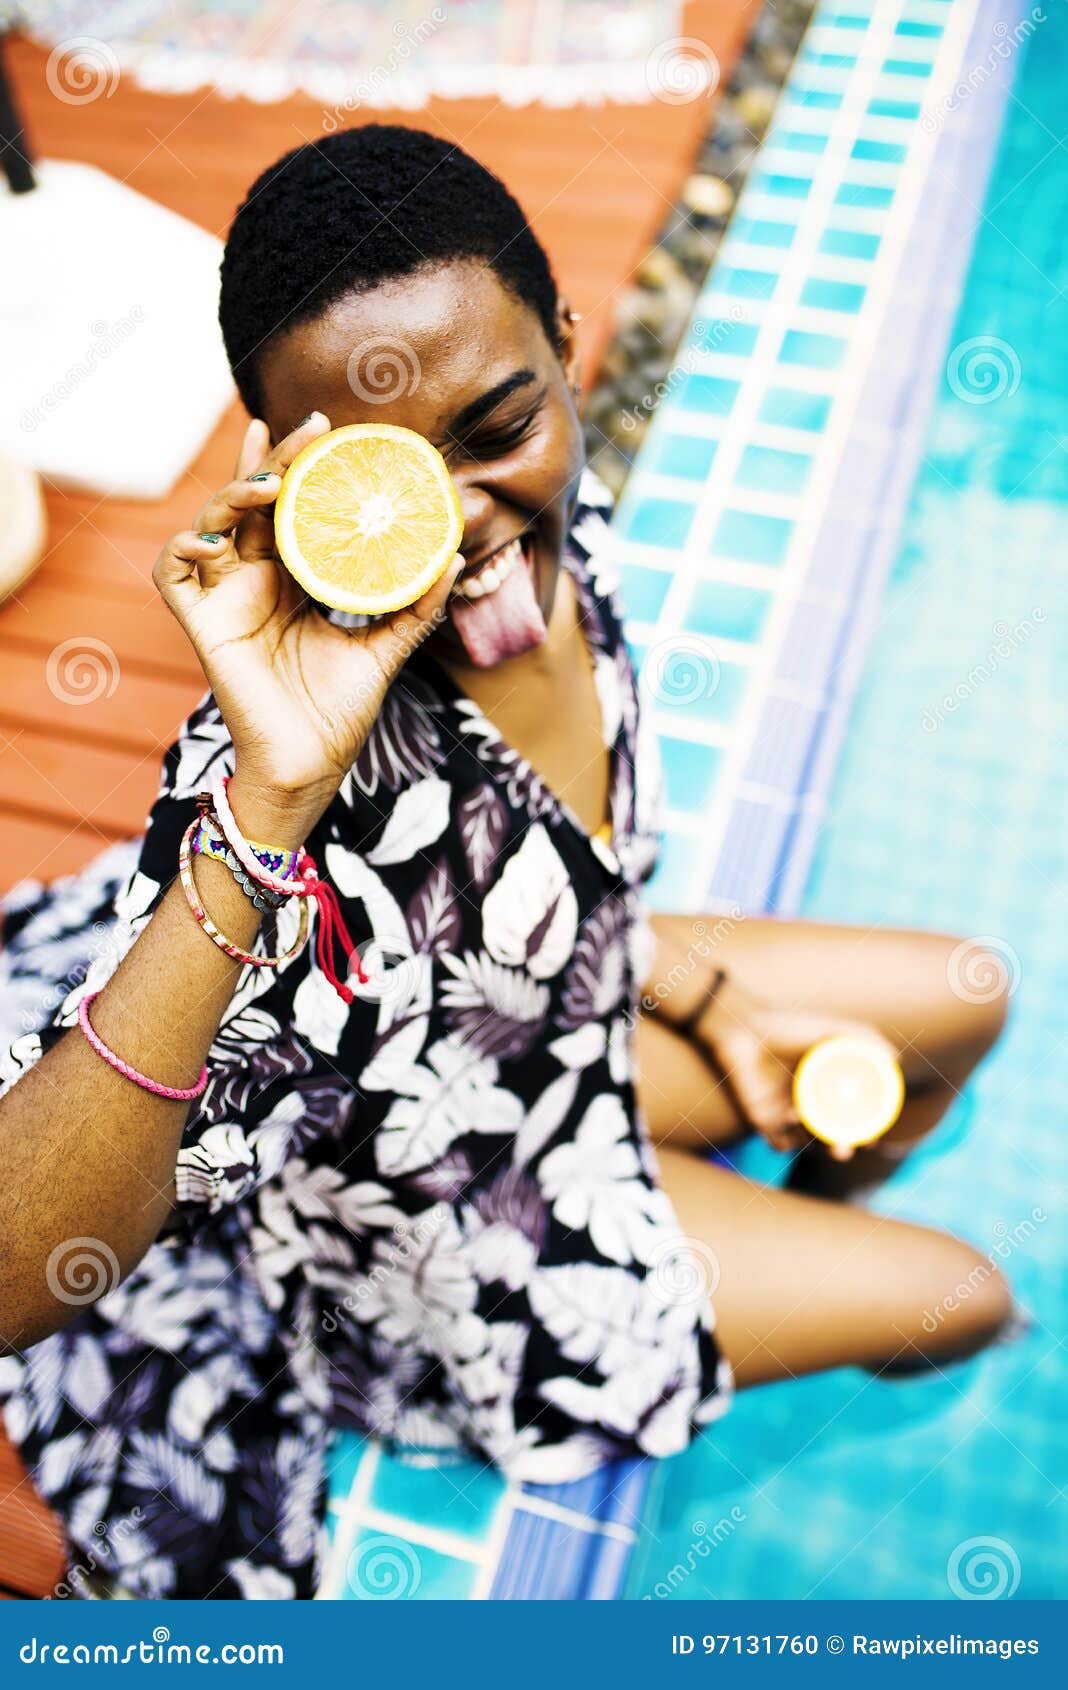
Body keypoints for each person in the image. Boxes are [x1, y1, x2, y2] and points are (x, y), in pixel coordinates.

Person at [0, 127, 1014, 1599]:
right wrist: (270, 800)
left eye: (497, 428)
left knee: (963, 1003)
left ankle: (769, 1217)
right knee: (963, 1301)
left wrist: (710, 992)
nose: (464, 526)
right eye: (388, 476)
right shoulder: (293, 830)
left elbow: (542, 879)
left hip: (554, 1032)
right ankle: (724, 1251)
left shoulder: (557, 527)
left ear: (567, 348)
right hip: (457, 1224)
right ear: (288, 471)